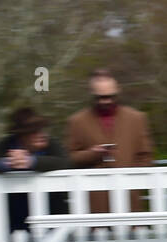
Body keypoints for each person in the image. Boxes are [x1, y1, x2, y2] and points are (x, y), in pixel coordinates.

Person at [65, 69, 155, 213]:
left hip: (129, 201)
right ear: (91, 93)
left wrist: (133, 181)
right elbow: (68, 158)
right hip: (94, 204)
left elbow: (146, 156)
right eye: (100, 97)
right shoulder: (77, 121)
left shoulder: (137, 118)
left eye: (110, 96)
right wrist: (92, 154)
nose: (105, 101)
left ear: (118, 90)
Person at [0, 108, 68, 233]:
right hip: (14, 215)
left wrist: (31, 161)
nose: (41, 134)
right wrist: (9, 163)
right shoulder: (5, 145)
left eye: (42, 129)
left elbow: (65, 162)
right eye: (34, 131)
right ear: (21, 135)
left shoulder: (52, 144)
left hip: (52, 212)